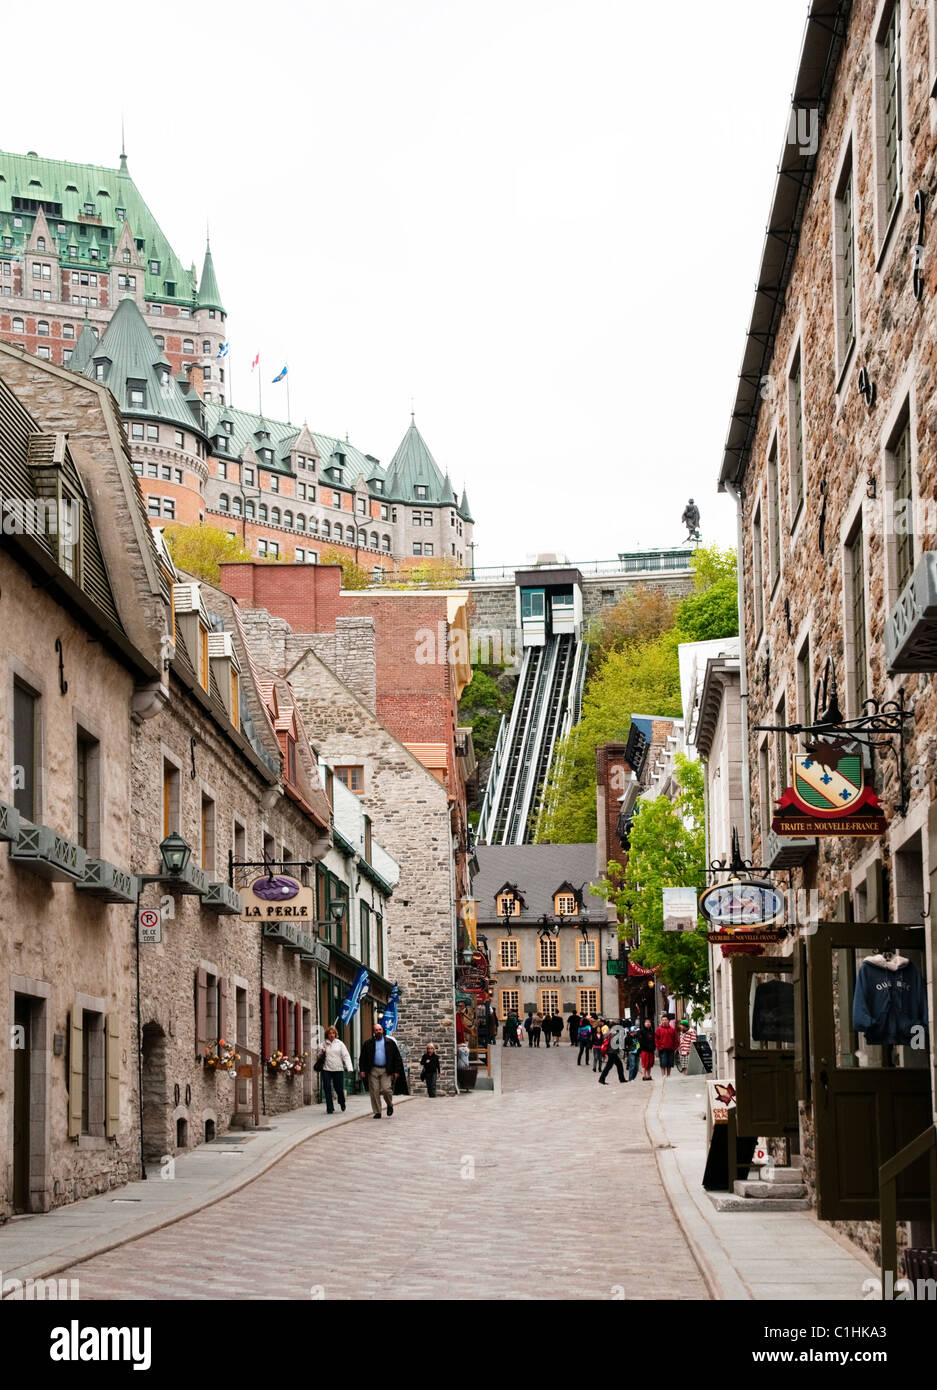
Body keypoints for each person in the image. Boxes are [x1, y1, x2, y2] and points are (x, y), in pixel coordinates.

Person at [359, 1023, 408, 1118]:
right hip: (373, 1069)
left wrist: (396, 1071)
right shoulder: (368, 1043)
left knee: (386, 1090)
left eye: (380, 1030)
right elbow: (363, 1058)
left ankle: (389, 1104)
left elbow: (397, 1058)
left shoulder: (390, 1043)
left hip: (386, 1070)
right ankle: (377, 1112)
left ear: (382, 1031)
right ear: (373, 1032)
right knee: (374, 1091)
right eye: (376, 1030)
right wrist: (362, 1070)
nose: (378, 1031)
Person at [317, 1025, 352, 1114]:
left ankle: (342, 1102)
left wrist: (349, 1067)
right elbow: (318, 1056)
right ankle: (330, 1107)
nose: (331, 1035)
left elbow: (346, 1056)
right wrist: (322, 1051)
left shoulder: (340, 1044)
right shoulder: (323, 1044)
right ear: (327, 1035)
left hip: (338, 1069)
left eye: (333, 1033)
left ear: (335, 1034)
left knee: (338, 1088)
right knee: (327, 1087)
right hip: (326, 1069)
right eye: (329, 1033)